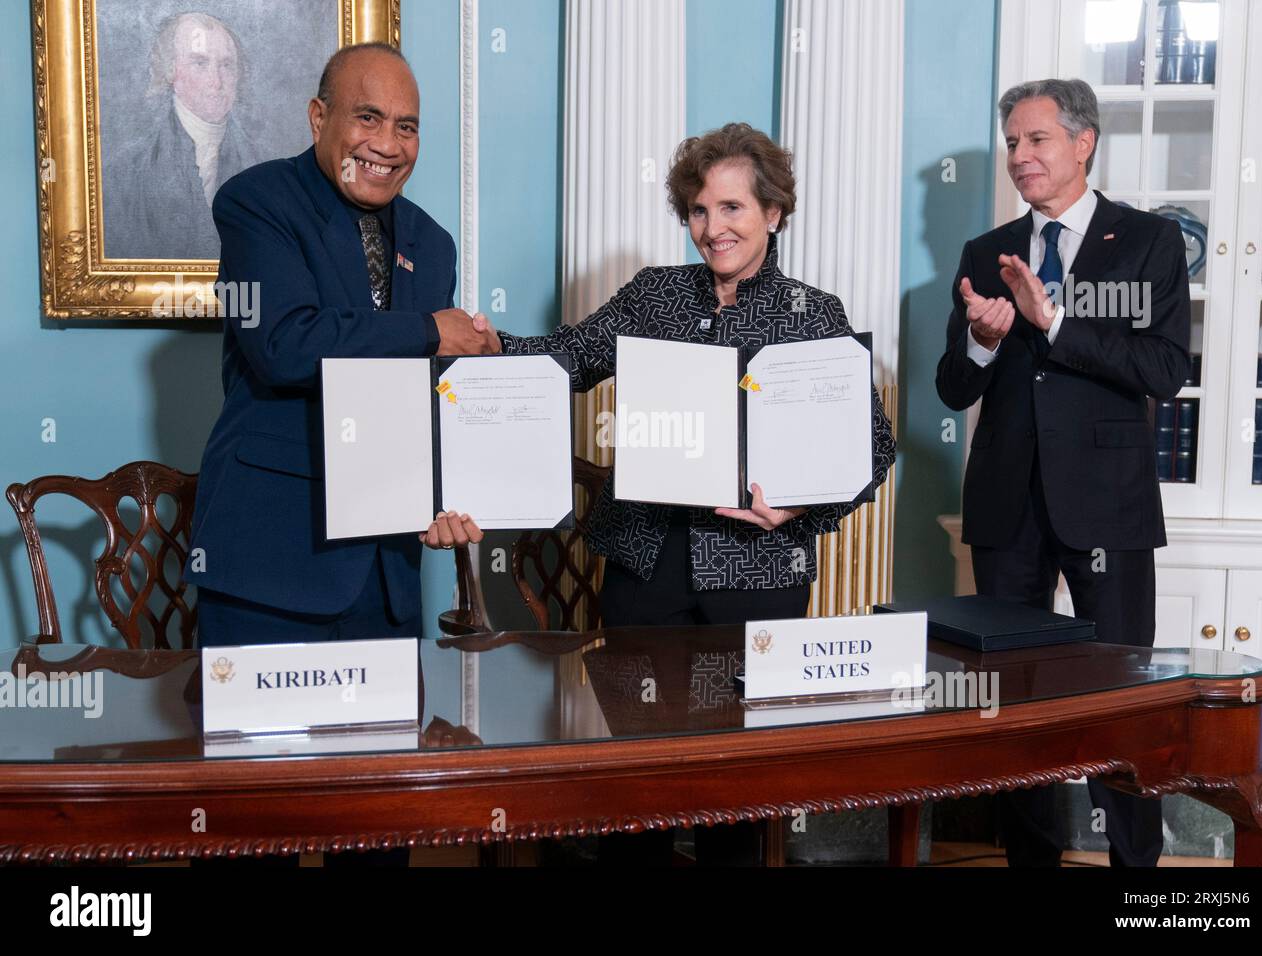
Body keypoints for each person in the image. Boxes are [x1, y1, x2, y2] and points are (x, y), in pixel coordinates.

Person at [493, 122, 897, 863]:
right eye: (701, 211)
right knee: (641, 774)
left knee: (735, 787)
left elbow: (874, 447)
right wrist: (488, 346)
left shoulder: (816, 313)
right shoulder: (655, 294)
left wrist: (802, 507)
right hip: (648, 564)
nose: (715, 229)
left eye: (734, 209)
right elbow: (569, 358)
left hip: (759, 572)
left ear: (774, 212)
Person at [935, 78, 1191, 867]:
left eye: (1035, 140)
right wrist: (981, 341)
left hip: (1108, 511)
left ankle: (1137, 876)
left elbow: (1164, 368)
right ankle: (1030, 861)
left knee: (1119, 704)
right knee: (1014, 710)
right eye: (1012, 141)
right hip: (1007, 511)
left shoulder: (1148, 241)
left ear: (1083, 143)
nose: (1020, 156)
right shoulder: (985, 252)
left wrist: (1054, 324)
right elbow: (953, 387)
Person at [187, 42, 489, 653]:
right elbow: (284, 343)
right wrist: (431, 331)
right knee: (255, 751)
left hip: (388, 579)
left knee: (387, 751)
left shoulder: (433, 244)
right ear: (319, 118)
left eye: (407, 127)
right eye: (368, 117)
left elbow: (428, 400)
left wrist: (452, 490)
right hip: (271, 565)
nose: (388, 143)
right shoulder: (255, 203)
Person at [109, 12, 263, 259]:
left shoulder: (263, 164)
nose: (216, 82)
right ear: (171, 71)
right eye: (200, 63)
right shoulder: (124, 173)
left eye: (226, 65)